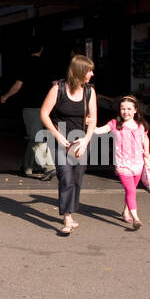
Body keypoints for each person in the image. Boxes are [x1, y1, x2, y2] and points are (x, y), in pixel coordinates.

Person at [39, 54, 98, 235]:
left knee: (77, 177)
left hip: (80, 139)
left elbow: (93, 118)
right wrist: (56, 135)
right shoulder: (58, 89)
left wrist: (86, 140)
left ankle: (70, 210)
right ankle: (67, 217)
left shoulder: (89, 91)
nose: (92, 74)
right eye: (89, 71)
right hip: (60, 138)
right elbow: (44, 114)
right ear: (79, 71)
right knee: (65, 175)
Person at [96, 95, 150, 229]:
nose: (125, 112)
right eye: (122, 109)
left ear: (135, 110)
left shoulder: (141, 125)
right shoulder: (115, 124)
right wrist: (89, 125)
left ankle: (126, 211)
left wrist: (147, 151)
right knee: (131, 190)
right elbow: (99, 131)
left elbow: (145, 138)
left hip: (138, 164)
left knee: (130, 191)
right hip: (122, 164)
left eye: (128, 109)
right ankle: (136, 219)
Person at [0, 40, 52, 177]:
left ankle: (43, 166)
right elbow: (54, 85)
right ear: (41, 49)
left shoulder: (24, 65)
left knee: (36, 137)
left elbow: (18, 85)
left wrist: (6, 96)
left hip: (30, 106)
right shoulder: (47, 65)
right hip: (46, 106)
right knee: (37, 137)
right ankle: (32, 166)